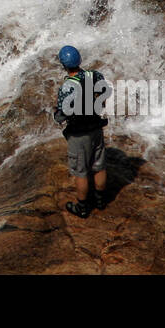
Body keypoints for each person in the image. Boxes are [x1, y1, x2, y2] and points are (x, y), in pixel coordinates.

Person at [53, 45, 110, 218]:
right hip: (96, 128)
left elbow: (61, 116)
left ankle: (83, 207)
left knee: (81, 172)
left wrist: (56, 114)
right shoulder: (95, 75)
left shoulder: (67, 86)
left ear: (64, 65)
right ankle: (100, 200)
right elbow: (104, 93)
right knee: (99, 166)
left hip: (79, 135)